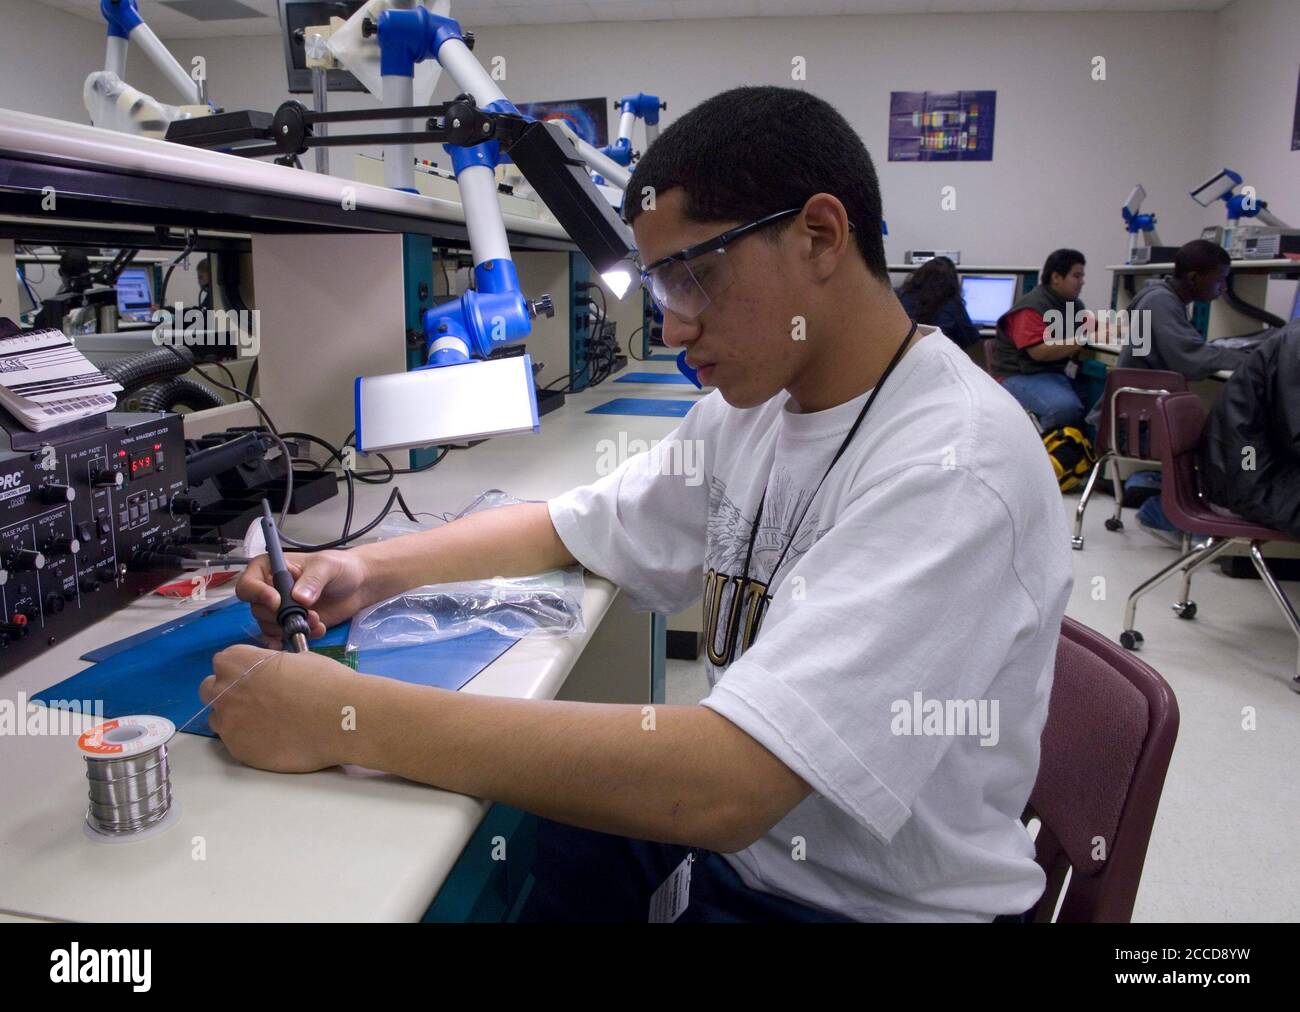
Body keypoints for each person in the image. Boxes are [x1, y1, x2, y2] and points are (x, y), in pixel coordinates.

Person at [206, 86, 1073, 923]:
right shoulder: (763, 408)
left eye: (692, 277)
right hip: (755, 857)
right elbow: (572, 524)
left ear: (818, 235)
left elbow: (726, 785)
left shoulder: (953, 465)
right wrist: (367, 570)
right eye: (660, 289)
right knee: (484, 851)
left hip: (851, 906)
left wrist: (343, 718)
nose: (672, 328)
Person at [1117, 239, 1251, 380]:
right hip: (1139, 396)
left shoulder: (1163, 297)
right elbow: (1190, 361)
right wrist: (1251, 358)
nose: (1224, 287)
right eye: (1219, 280)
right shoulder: (1160, 301)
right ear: (1192, 278)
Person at [990, 249, 1090, 431]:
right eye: (1076, 276)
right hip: (1018, 375)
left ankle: (1080, 454)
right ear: (1056, 277)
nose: (1082, 282)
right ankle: (1049, 456)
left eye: (1082, 276)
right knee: (1063, 409)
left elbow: (1091, 326)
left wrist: (1125, 329)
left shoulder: (1072, 305)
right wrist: (1084, 339)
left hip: (1051, 373)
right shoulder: (1032, 307)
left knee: (1098, 400)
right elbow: (1039, 352)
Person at [896, 256, 981, 348]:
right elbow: (971, 337)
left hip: (907, 353)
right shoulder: (952, 304)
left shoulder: (902, 297)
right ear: (951, 281)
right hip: (939, 355)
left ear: (920, 275)